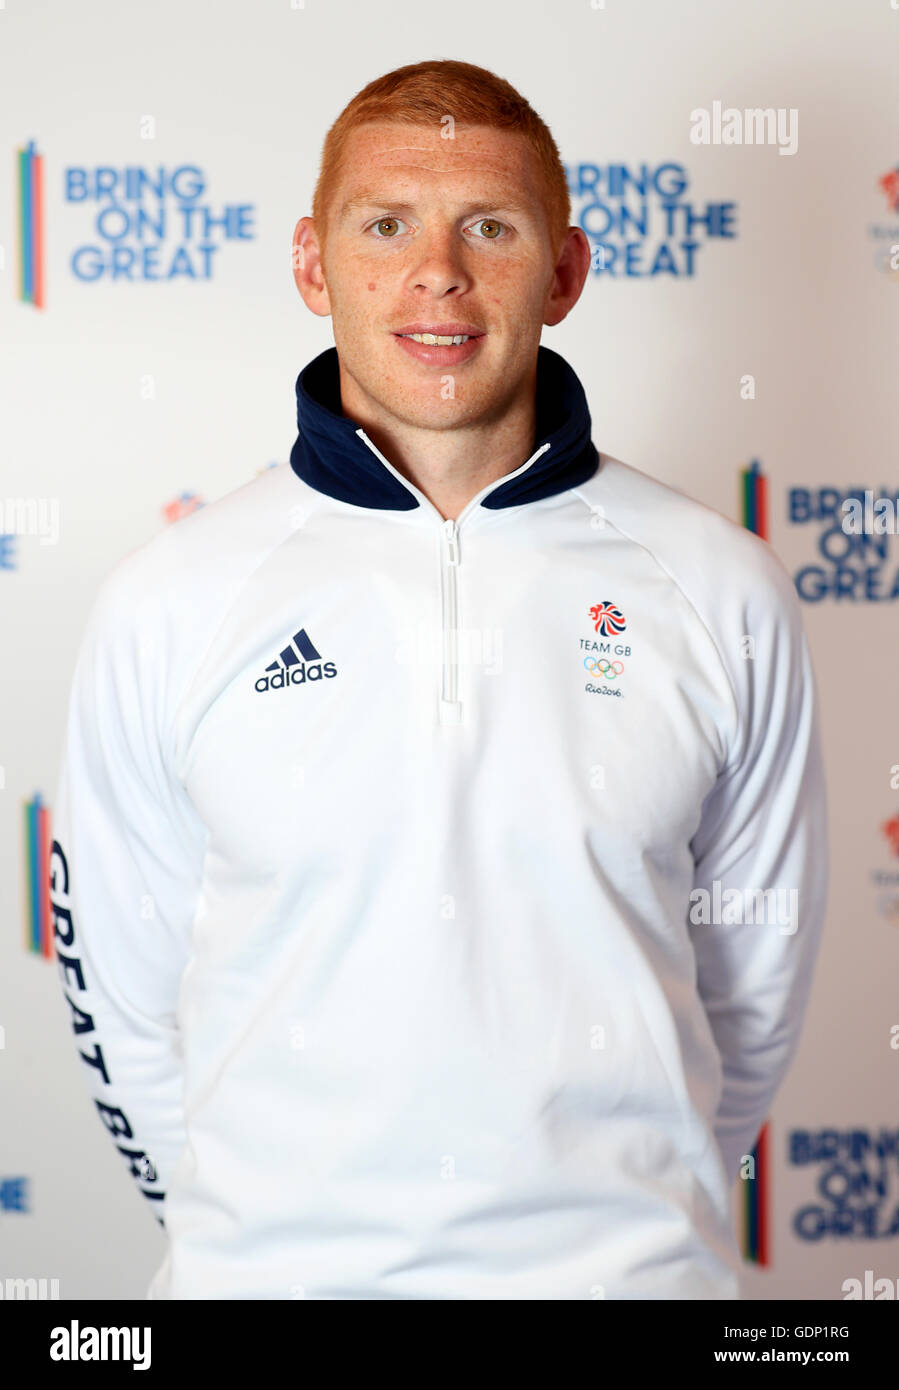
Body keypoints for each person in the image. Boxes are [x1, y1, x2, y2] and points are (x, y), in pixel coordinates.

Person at [50, 58, 828, 1300]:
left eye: (490, 227)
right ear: (313, 264)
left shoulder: (719, 589)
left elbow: (753, 999)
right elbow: (125, 1012)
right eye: (384, 224)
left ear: (563, 271)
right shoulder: (170, 602)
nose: (438, 275)